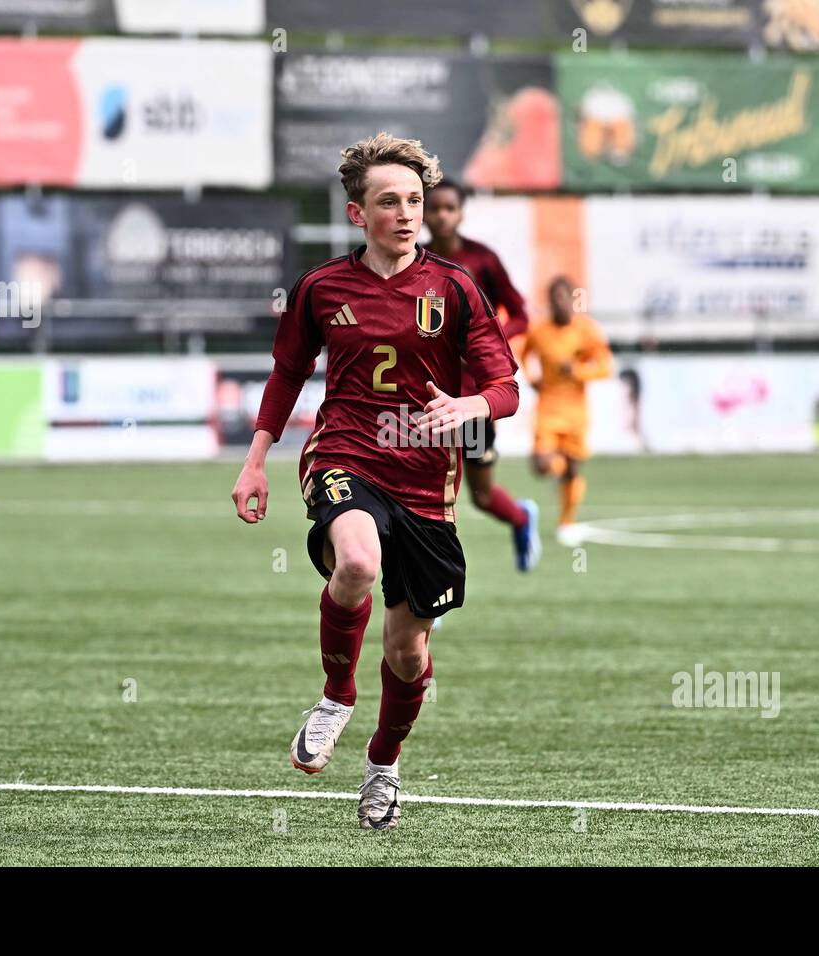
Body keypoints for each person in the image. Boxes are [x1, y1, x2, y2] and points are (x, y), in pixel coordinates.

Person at [230, 133, 520, 831]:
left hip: (427, 487)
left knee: (409, 651)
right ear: (357, 214)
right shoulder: (321, 288)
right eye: (388, 201)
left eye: (414, 200)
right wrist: (254, 460)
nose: (406, 212)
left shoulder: (455, 288)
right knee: (357, 560)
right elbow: (287, 375)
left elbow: (505, 386)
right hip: (346, 455)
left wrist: (470, 405)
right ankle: (336, 696)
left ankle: (383, 765)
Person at [424, 178, 540, 571]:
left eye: (448, 207)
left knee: (482, 496)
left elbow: (521, 312)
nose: (441, 215)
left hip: (474, 401)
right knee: (428, 494)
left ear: (461, 212)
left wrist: (487, 341)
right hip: (424, 397)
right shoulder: (412, 260)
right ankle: (423, 590)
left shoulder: (482, 261)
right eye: (434, 207)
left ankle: (522, 519)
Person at [522, 277, 613, 542]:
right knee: (540, 464)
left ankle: (566, 522)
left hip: (576, 411)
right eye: (554, 298)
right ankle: (557, 473)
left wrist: (577, 371)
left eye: (564, 297)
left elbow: (605, 366)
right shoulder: (539, 331)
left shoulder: (586, 331)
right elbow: (523, 354)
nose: (559, 303)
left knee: (574, 469)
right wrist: (531, 378)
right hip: (548, 408)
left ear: (573, 299)